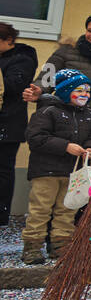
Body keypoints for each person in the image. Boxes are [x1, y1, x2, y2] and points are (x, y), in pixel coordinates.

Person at [21, 70, 91, 264]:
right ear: (65, 91)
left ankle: (61, 244)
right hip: (46, 171)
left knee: (67, 209)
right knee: (40, 209)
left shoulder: (88, 115)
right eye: (79, 90)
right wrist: (65, 146)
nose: (85, 95)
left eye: (88, 91)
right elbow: (36, 138)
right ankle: (32, 246)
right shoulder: (48, 111)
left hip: (72, 172)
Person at [0, 23, 37, 226]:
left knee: (3, 169)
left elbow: (12, 86)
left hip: (8, 123)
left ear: (8, 40)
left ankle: (1, 215)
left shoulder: (23, 58)